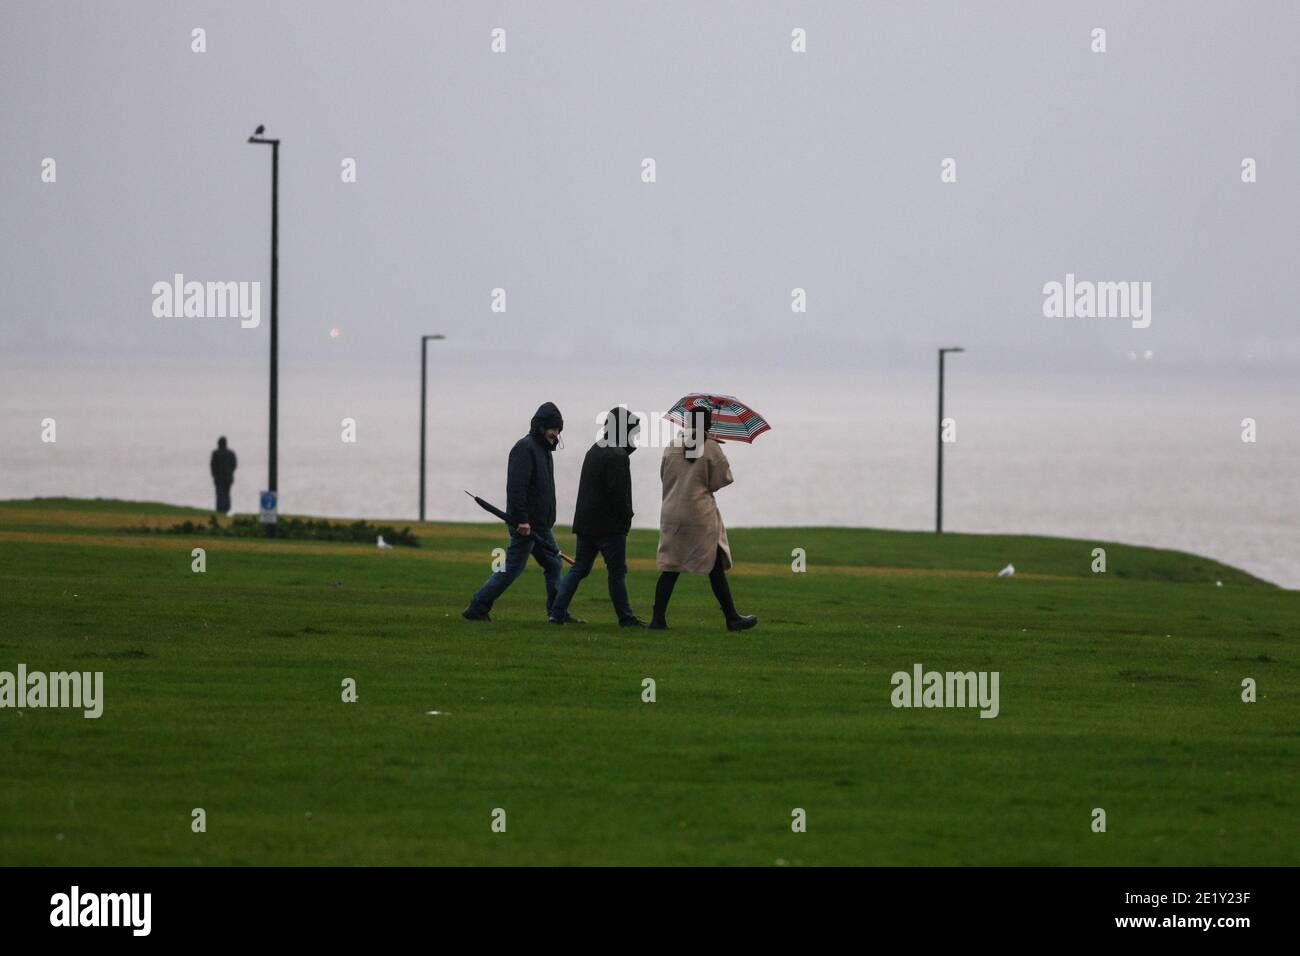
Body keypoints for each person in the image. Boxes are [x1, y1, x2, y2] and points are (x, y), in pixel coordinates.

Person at [464, 402, 582, 623]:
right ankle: (478, 606)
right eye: (552, 428)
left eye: (558, 429)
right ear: (540, 426)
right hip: (526, 524)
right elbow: (516, 488)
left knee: (554, 564)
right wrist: (522, 520)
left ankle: (557, 612)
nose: (555, 433)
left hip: (540, 524)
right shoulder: (525, 448)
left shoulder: (544, 450)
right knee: (512, 568)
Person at [651, 406, 757, 631]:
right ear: (708, 424)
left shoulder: (672, 446)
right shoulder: (710, 448)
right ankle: (732, 618)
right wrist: (714, 449)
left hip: (672, 512)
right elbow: (722, 480)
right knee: (714, 562)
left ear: (688, 422)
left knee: (670, 566)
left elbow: (664, 476)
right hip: (699, 514)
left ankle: (657, 619)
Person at [549, 406, 646, 627]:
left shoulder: (595, 449)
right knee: (617, 571)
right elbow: (619, 495)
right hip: (609, 527)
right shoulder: (618, 455)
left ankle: (556, 612)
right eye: (632, 432)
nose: (635, 437)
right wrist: (626, 519)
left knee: (580, 568)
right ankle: (625, 617)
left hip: (586, 523)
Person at [210, 437, 237, 514]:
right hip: (228, 478)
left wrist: (214, 475)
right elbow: (234, 465)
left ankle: (220, 509)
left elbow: (212, 465)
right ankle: (227, 509)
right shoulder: (231, 453)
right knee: (227, 494)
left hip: (219, 478)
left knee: (219, 494)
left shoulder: (216, 453)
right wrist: (230, 472)